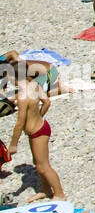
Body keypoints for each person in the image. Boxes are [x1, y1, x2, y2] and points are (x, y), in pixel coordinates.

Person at [5, 73, 64, 201]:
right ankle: (45, 190)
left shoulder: (23, 97)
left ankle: (60, 194)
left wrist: (13, 144)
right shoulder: (34, 86)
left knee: (44, 166)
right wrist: (38, 118)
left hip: (38, 133)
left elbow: (20, 123)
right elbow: (47, 102)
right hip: (42, 127)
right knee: (38, 164)